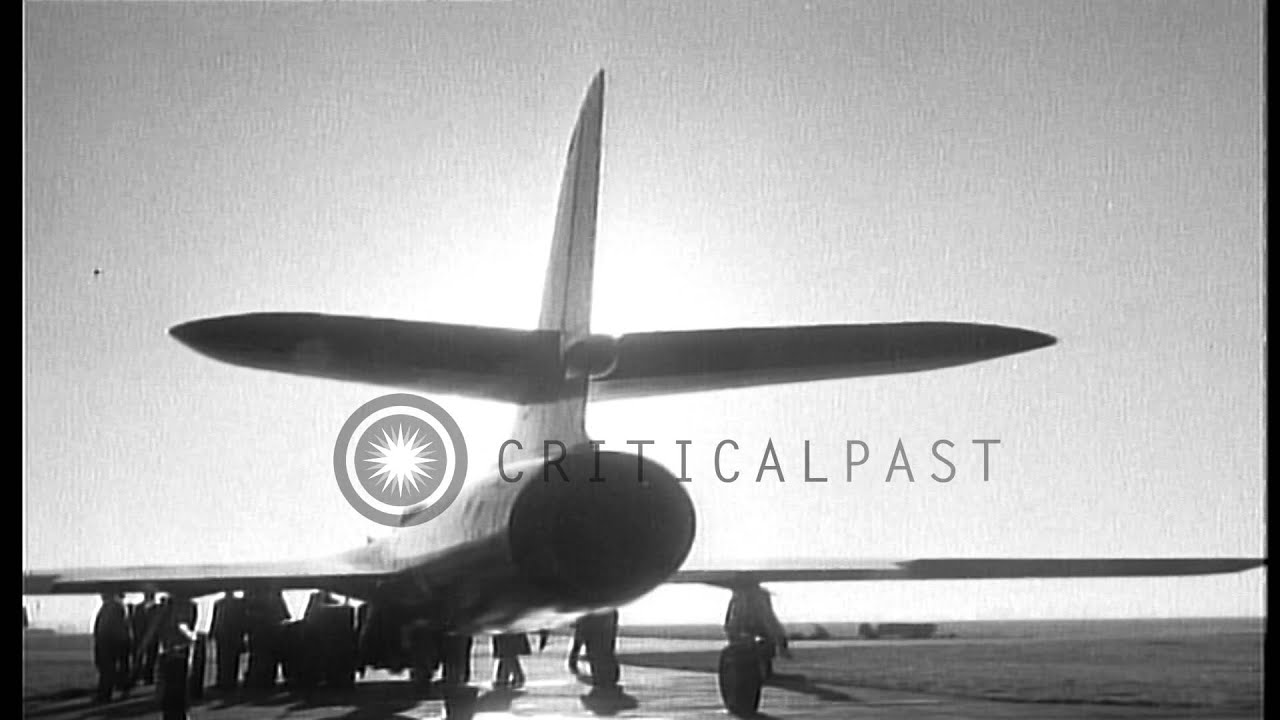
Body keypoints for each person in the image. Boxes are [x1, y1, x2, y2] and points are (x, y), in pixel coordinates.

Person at [723, 581, 791, 679]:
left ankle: (763, 671)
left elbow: (767, 617)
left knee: (762, 646)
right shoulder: (745, 596)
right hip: (744, 627)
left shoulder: (747, 596)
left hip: (750, 626)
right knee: (750, 648)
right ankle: (759, 671)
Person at [92, 592, 132, 703]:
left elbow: (112, 626)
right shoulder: (111, 606)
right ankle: (107, 692)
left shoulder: (113, 606)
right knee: (108, 669)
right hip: (109, 641)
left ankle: (105, 694)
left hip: (110, 642)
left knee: (107, 669)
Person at [209, 591, 247, 691]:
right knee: (232, 658)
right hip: (233, 632)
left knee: (223, 658)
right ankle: (230, 681)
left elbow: (216, 618)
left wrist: (213, 630)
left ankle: (223, 680)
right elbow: (242, 619)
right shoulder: (239, 603)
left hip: (224, 633)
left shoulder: (220, 603)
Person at [576, 610, 620, 692]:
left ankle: (604, 679)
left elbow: (581, 629)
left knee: (597, 652)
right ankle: (608, 678)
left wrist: (575, 650)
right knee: (604, 651)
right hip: (604, 617)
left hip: (594, 621)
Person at [130, 591, 160, 685]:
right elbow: (134, 622)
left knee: (151, 659)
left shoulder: (158, 608)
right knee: (138, 658)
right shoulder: (139, 608)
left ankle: (148, 678)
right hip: (140, 636)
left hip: (152, 637)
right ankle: (136, 677)